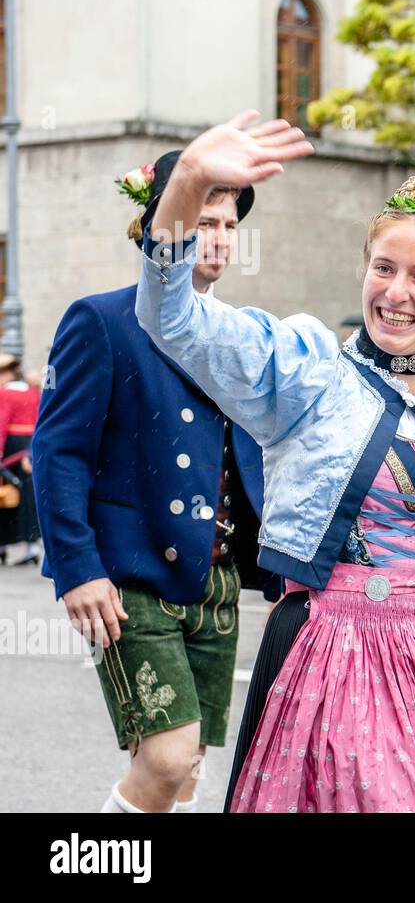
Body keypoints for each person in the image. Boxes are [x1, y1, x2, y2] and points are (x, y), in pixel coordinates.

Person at [136, 112, 415, 812]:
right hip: (325, 658)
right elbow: (173, 318)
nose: (395, 292)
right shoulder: (306, 371)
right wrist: (190, 183)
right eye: (384, 268)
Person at [31, 149, 277, 813]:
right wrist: (77, 567)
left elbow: (252, 460)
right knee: (166, 756)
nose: (220, 237)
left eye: (230, 224)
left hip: (216, 576)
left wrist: (281, 567)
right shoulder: (102, 319)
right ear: (159, 225)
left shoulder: (238, 331)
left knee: (189, 765)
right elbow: (59, 451)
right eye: (204, 220)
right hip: (132, 575)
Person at [0, 357, 43, 565]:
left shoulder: (4, 393)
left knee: (4, 497)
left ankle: (2, 546)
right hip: (28, 447)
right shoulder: (32, 392)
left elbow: (1, 422)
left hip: (10, 446)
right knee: (28, 498)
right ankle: (31, 547)